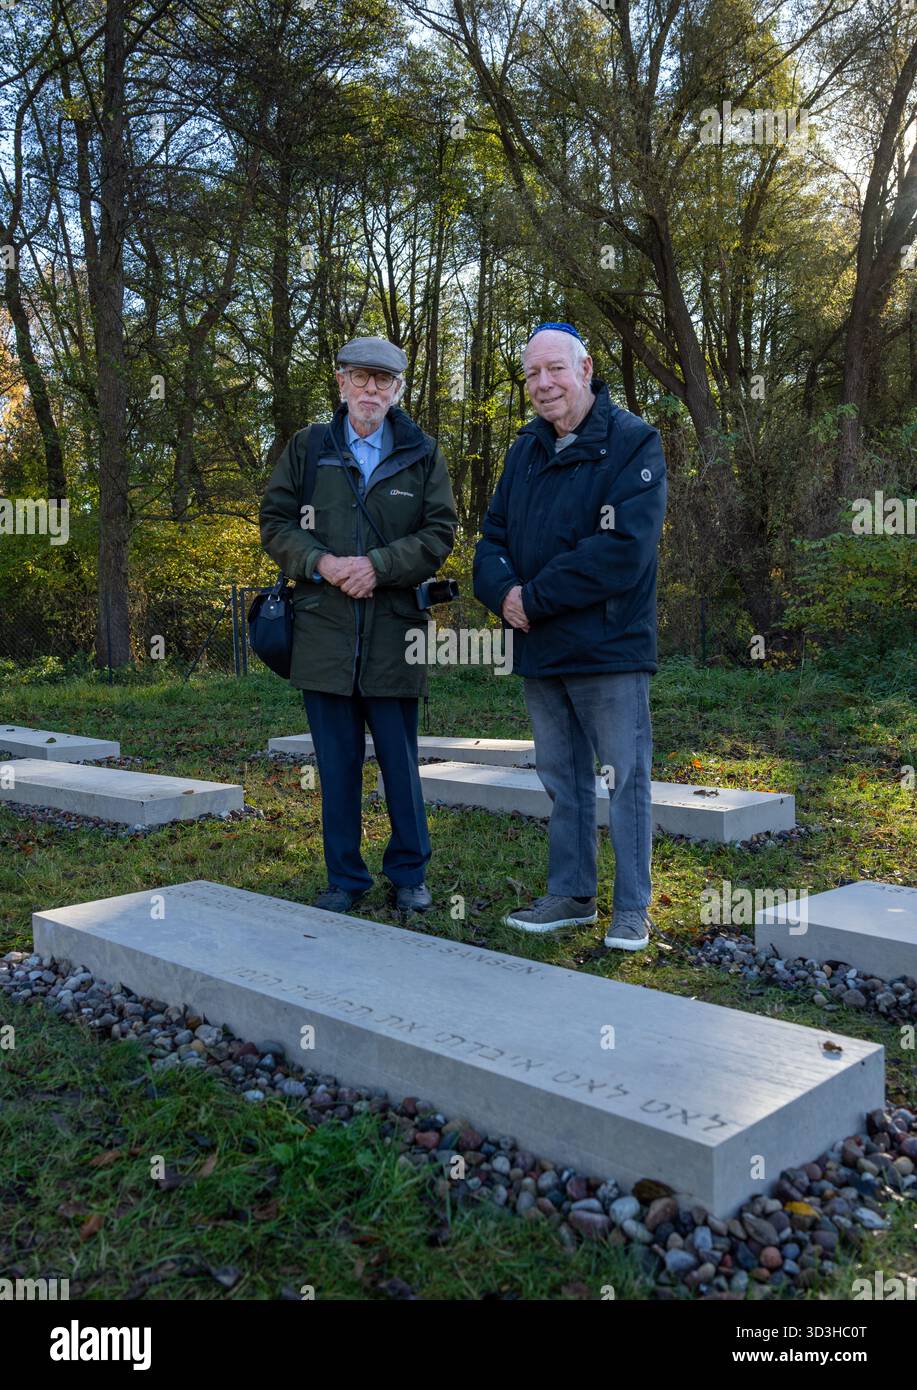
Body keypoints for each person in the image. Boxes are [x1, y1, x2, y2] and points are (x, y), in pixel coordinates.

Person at [473, 323, 667, 949]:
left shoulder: (634, 442)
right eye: (532, 374)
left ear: (585, 370)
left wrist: (534, 597)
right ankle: (572, 893)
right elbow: (492, 538)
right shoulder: (524, 450)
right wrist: (501, 593)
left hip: (607, 648)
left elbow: (621, 551)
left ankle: (632, 906)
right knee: (562, 777)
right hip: (539, 646)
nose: (543, 384)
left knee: (624, 776)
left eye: (554, 369)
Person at [260, 336, 457, 914]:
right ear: (341, 381)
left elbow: (439, 533)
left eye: (384, 381)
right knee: (336, 766)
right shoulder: (308, 448)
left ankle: (409, 874)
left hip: (397, 631)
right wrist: (320, 562)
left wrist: (378, 566)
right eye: (362, 378)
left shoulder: (422, 452)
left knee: (401, 763)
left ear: (398, 390)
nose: (372, 390)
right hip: (322, 631)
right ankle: (344, 879)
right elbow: (275, 521)